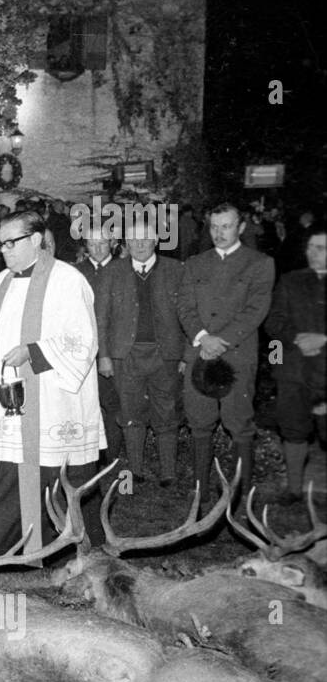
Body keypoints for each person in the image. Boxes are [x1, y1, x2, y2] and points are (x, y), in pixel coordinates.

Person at [0, 210, 106, 558]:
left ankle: (55, 546)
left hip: (53, 400)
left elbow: (83, 341)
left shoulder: (67, 280)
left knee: (48, 474)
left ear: (37, 240)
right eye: (1, 243)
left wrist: (33, 352)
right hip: (8, 399)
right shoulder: (3, 282)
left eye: (12, 242)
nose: (4, 250)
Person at [177, 203, 275, 502]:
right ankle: (200, 491)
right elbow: (185, 306)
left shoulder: (260, 263)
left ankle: (241, 494)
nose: (219, 233)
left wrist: (222, 340)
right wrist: (203, 338)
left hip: (237, 355)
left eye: (227, 226)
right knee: (199, 422)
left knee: (239, 424)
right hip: (200, 354)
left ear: (241, 228)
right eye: (215, 227)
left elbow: (256, 310)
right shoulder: (194, 263)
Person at [94, 223, 186, 487]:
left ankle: (168, 471)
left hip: (165, 353)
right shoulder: (113, 271)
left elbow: (188, 313)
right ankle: (135, 470)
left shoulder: (175, 270)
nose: (140, 244)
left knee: (166, 410)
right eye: (134, 239)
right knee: (130, 411)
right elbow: (101, 317)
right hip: (126, 355)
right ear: (126, 242)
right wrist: (104, 355)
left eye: (146, 238)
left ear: (156, 240)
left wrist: (185, 355)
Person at [264, 224, 326, 502]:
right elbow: (273, 322)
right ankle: (294, 489)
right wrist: (296, 338)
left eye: (321, 248)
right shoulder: (290, 280)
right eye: (310, 247)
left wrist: (323, 339)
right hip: (294, 370)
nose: (313, 253)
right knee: (293, 428)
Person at [76, 227, 125, 467]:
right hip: (82, 350)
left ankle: (111, 458)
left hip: (112, 349)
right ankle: (86, 456)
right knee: (84, 404)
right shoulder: (76, 272)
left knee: (112, 403)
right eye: (92, 244)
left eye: (102, 244)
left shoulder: (123, 270)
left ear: (113, 243)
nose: (97, 249)